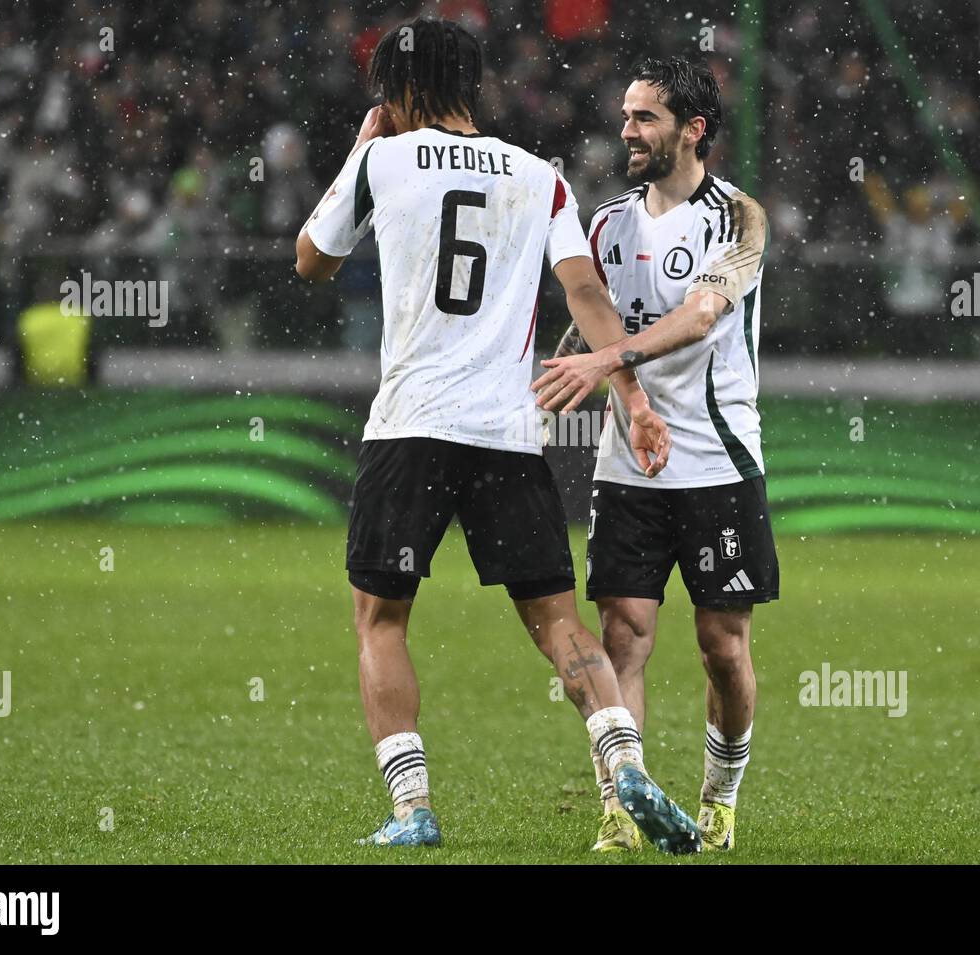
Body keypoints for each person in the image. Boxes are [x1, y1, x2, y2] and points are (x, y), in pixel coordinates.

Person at [294, 18, 700, 853]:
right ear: (469, 83)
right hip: (509, 433)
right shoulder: (538, 177)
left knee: (381, 620)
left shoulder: (382, 157)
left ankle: (413, 808)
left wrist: (359, 150)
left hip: (410, 426)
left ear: (401, 92)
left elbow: (312, 260)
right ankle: (624, 762)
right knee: (558, 623)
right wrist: (630, 390)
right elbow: (587, 294)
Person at [533, 57, 778, 852]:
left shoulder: (741, 218)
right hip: (628, 464)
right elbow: (590, 333)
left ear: (693, 129)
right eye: (626, 116)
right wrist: (585, 391)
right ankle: (622, 803)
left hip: (718, 458)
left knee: (723, 646)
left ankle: (722, 791)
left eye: (645, 118)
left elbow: (704, 314)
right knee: (625, 633)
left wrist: (608, 364)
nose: (627, 131)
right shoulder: (606, 224)